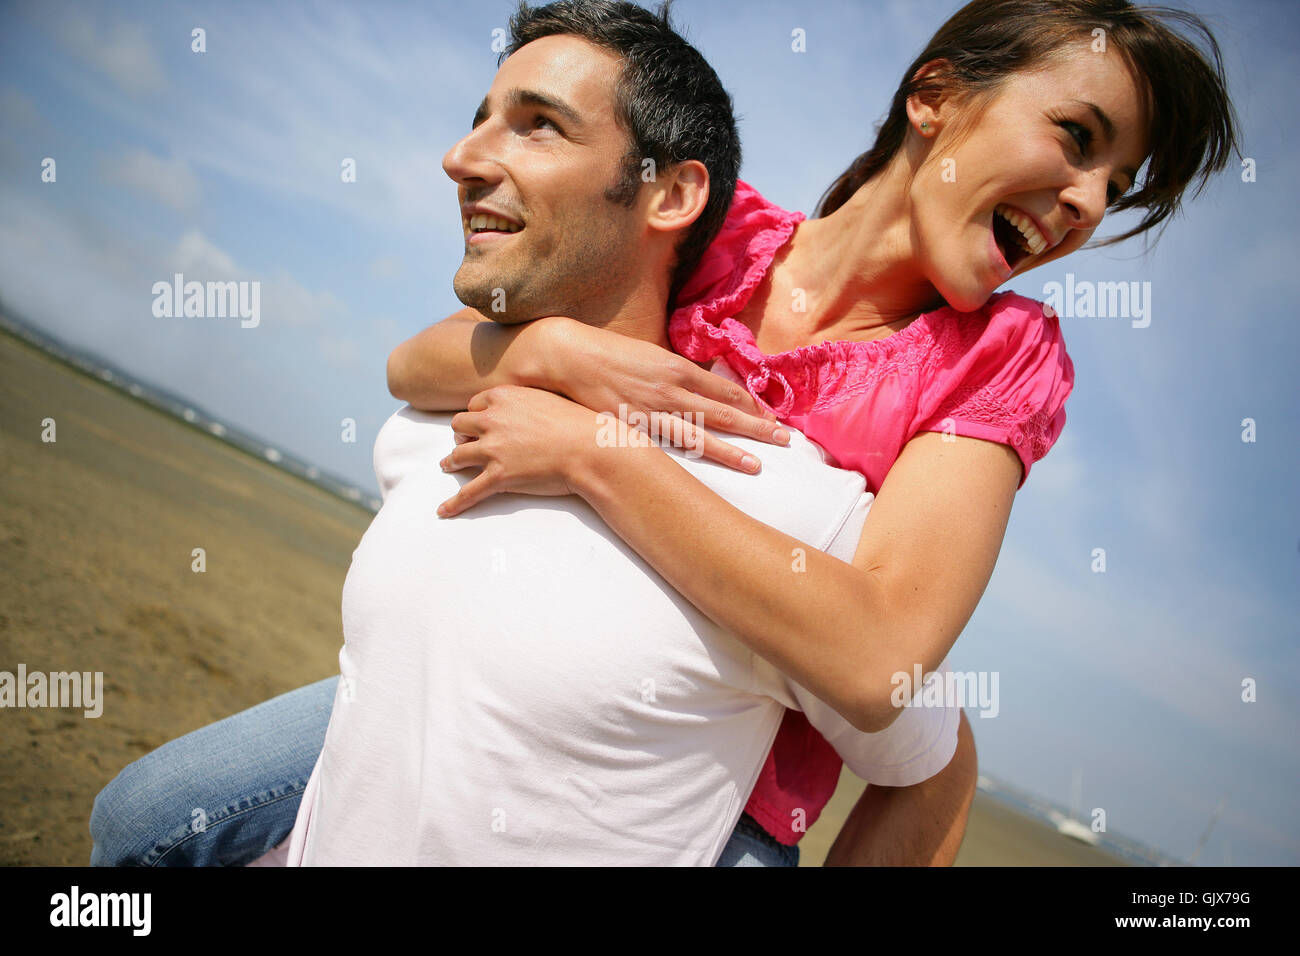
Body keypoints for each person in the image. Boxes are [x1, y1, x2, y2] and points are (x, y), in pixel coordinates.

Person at [93, 0, 1238, 865]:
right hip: (500, 677)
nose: (1086, 201)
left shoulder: (998, 355)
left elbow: (880, 654)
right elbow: (419, 358)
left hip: (714, 787)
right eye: (1076, 136)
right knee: (143, 819)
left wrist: (599, 452)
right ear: (934, 95)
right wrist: (548, 350)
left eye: (1113, 181)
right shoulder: (721, 231)